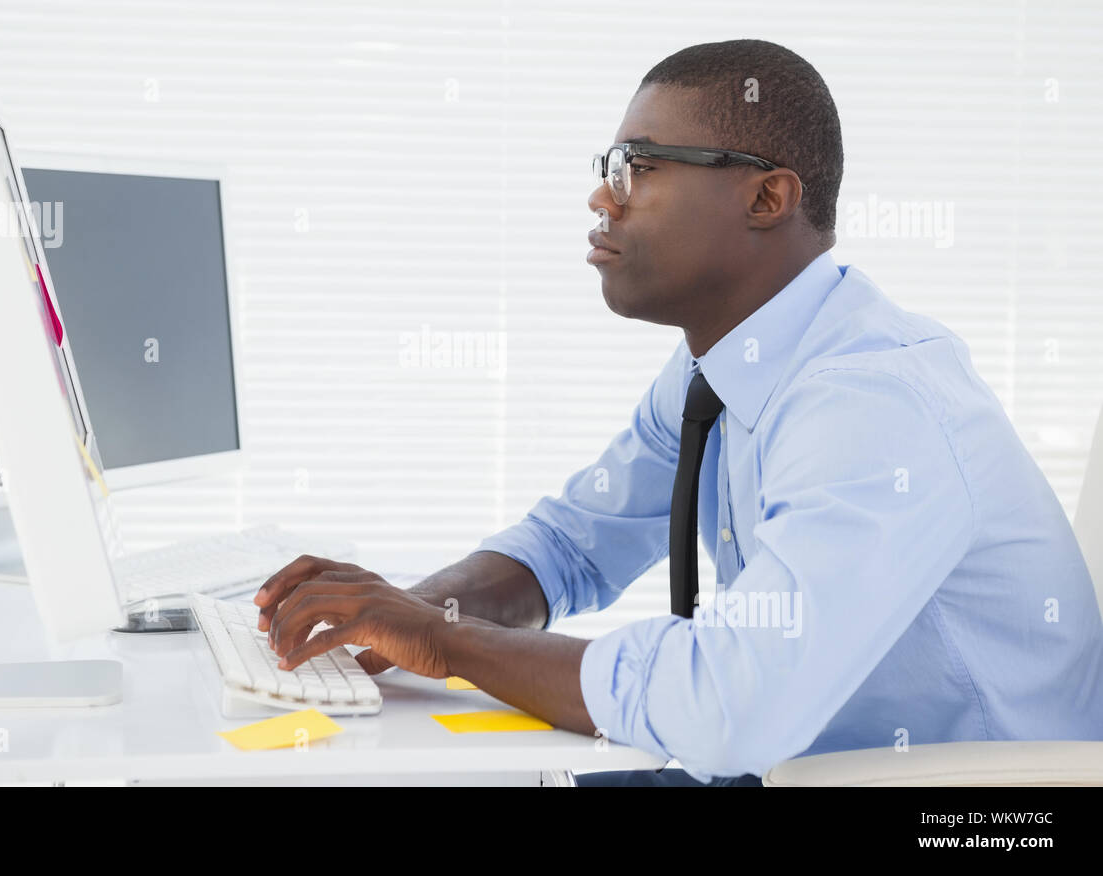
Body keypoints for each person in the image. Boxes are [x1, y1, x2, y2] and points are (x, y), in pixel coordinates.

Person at [253, 39, 1103, 786]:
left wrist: (446, 640)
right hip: (791, 765)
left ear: (767, 198)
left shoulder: (874, 406)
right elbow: (570, 546)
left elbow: (734, 702)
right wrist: (394, 612)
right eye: (606, 169)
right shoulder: (720, 367)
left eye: (640, 166)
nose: (602, 200)